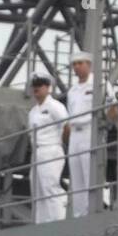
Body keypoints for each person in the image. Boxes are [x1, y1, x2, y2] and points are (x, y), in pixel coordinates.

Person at [64, 51, 118, 217]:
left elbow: (113, 108)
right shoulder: (72, 90)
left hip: (90, 131)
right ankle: (80, 215)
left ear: (89, 65)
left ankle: (94, 212)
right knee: (77, 179)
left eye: (80, 63)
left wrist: (104, 127)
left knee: (91, 176)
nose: (76, 67)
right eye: (74, 64)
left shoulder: (100, 84)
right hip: (75, 135)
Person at [28, 73, 69, 223]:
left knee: (50, 187)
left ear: (48, 87)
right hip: (37, 152)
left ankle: (56, 221)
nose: (36, 88)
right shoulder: (33, 111)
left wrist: (60, 143)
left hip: (51, 149)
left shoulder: (55, 106)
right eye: (34, 86)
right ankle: (41, 224)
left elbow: (66, 126)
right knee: (37, 190)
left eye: (40, 85)